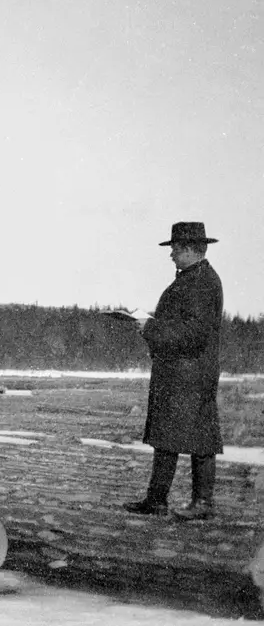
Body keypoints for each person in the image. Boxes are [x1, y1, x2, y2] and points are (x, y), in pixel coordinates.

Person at [124, 222, 224, 521]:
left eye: (176, 249)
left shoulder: (201, 281)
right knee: (170, 437)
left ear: (193, 250)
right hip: (183, 373)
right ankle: (158, 500)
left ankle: (201, 503)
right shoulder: (194, 278)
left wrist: (151, 327)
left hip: (189, 374)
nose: (172, 255)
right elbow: (186, 326)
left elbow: (194, 333)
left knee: (199, 439)